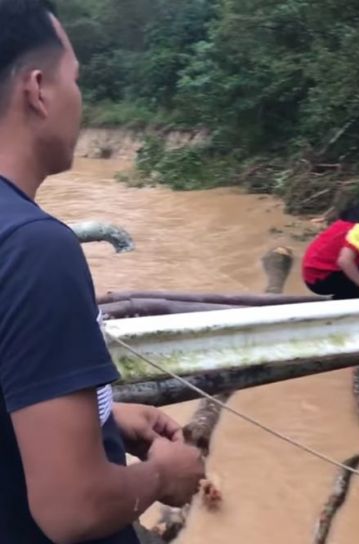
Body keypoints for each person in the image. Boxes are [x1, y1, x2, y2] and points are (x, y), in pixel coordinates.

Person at [0, 2, 205, 543]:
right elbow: (73, 508)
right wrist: (164, 475)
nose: (79, 98)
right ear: (39, 89)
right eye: (76, 79)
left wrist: (101, 419)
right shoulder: (35, 248)